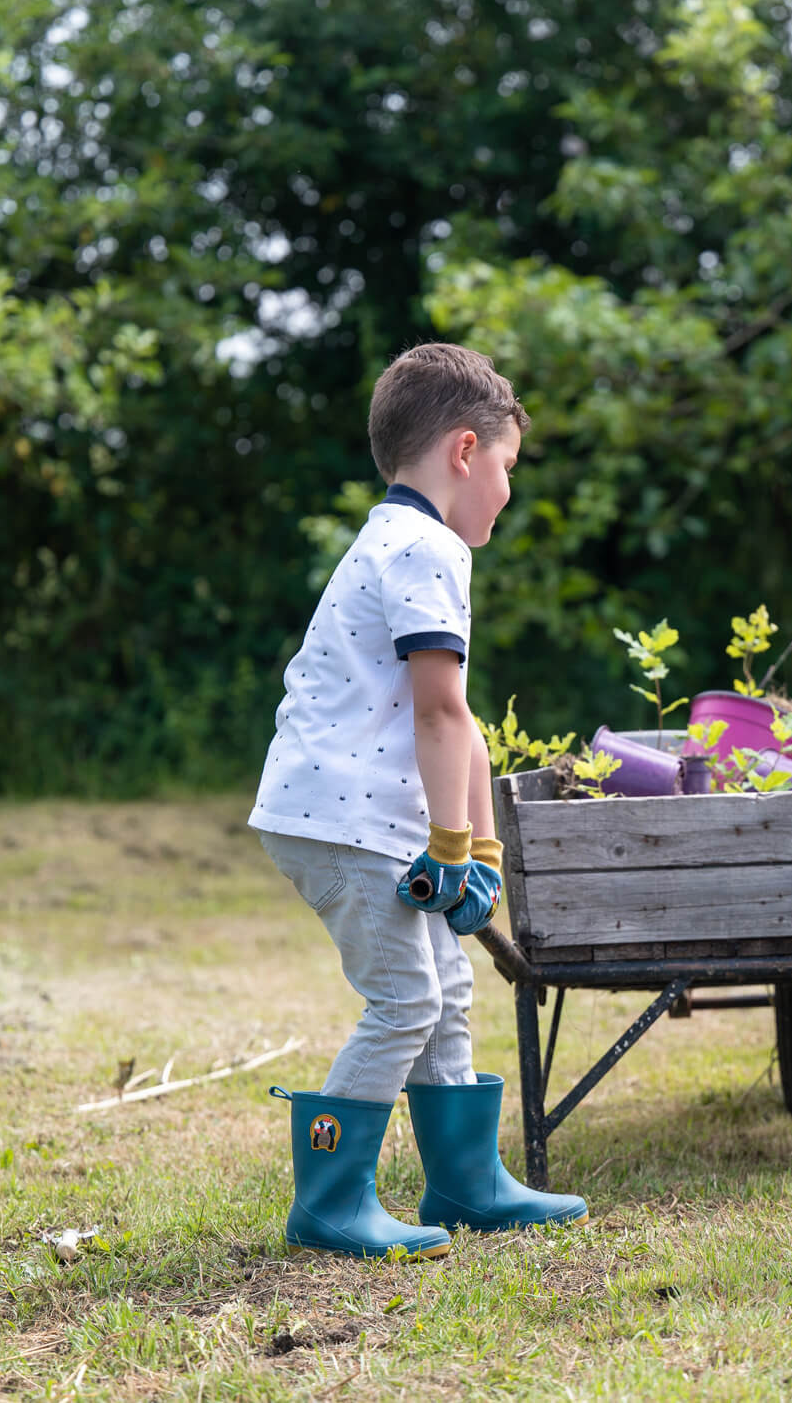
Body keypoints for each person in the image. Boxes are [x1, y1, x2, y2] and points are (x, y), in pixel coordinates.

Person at [250, 342, 587, 1259]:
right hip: (346, 821)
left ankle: (468, 1183)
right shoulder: (427, 545)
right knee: (404, 999)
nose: (509, 494)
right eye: (509, 469)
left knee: (446, 985)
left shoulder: (397, 538)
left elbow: (458, 718)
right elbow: (437, 711)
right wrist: (448, 843)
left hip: (354, 816)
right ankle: (328, 1199)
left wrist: (477, 848)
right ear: (466, 452)